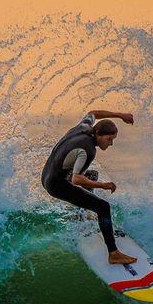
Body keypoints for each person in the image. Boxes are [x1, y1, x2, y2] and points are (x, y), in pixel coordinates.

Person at [41, 109, 137, 264]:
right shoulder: (88, 150)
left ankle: (81, 215)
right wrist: (103, 185)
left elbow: (93, 113)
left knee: (91, 175)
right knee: (103, 207)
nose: (111, 143)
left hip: (47, 174)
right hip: (56, 184)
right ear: (98, 134)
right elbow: (77, 179)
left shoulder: (84, 127)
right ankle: (114, 254)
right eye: (109, 139)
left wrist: (120, 116)